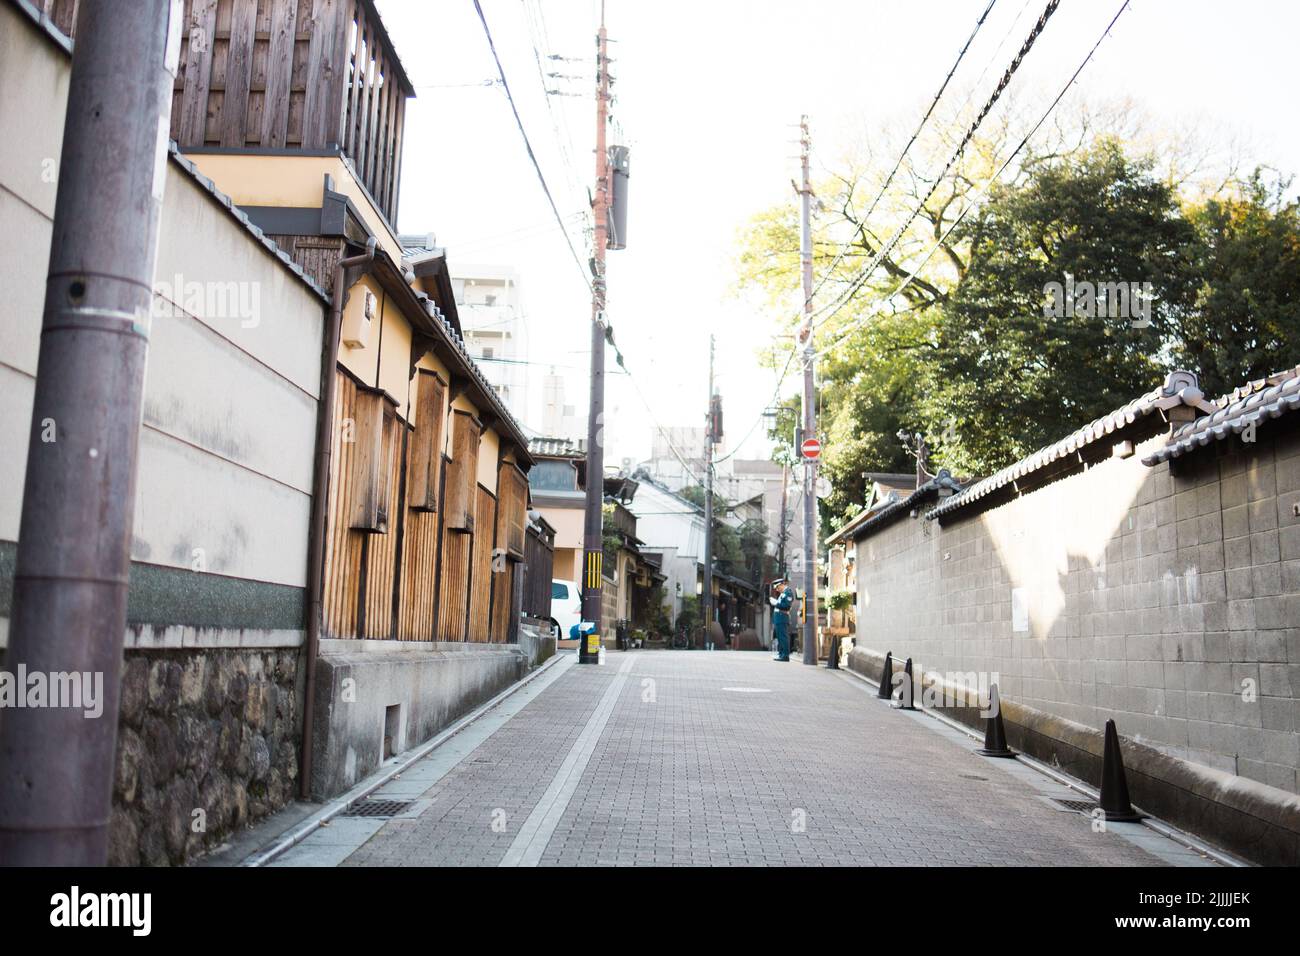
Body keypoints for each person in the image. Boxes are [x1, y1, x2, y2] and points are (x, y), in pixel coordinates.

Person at [769, 579, 794, 662]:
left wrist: (776, 603)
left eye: (777, 587)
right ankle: (781, 654)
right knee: (780, 637)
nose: (777, 589)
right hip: (779, 617)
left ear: (781, 585)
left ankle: (785, 655)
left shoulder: (788, 593)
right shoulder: (783, 593)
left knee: (783, 637)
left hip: (782, 617)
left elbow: (787, 605)